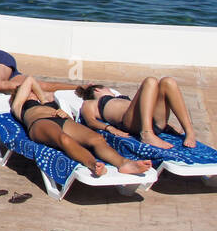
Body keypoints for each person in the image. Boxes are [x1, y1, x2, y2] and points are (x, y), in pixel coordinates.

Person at [9, 76, 152, 177]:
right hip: (40, 123)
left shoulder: (47, 100)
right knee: (64, 139)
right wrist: (36, 96)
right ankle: (92, 164)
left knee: (97, 139)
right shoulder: (18, 106)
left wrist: (63, 113)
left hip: (63, 120)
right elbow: (30, 80)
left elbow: (37, 86)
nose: (32, 92)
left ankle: (124, 163)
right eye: (29, 92)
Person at [75, 78, 197, 149]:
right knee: (150, 81)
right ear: (97, 90)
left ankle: (189, 131)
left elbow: (145, 109)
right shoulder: (91, 103)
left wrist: (168, 127)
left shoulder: (120, 98)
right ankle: (146, 134)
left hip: (154, 122)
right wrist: (110, 128)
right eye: (107, 88)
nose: (110, 90)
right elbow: (90, 121)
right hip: (130, 122)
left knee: (167, 82)